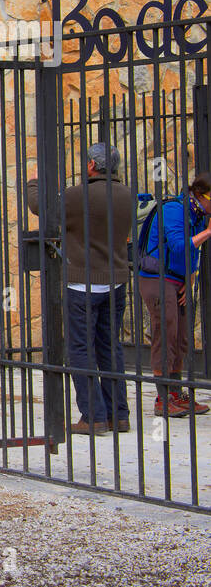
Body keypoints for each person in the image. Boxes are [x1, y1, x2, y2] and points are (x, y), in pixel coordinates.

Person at [27, 144, 134, 434]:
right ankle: (118, 414)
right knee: (110, 348)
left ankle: (93, 416)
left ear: (91, 165)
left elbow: (41, 208)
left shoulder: (77, 196)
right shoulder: (127, 195)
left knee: (79, 349)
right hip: (116, 281)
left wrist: (35, 181)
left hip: (83, 283)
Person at [137, 172, 211, 418]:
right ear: (201, 195)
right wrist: (208, 232)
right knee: (165, 333)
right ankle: (163, 398)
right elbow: (180, 245)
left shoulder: (199, 214)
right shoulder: (173, 210)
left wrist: (190, 276)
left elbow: (192, 253)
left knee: (180, 338)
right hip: (156, 279)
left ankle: (176, 394)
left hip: (177, 281)